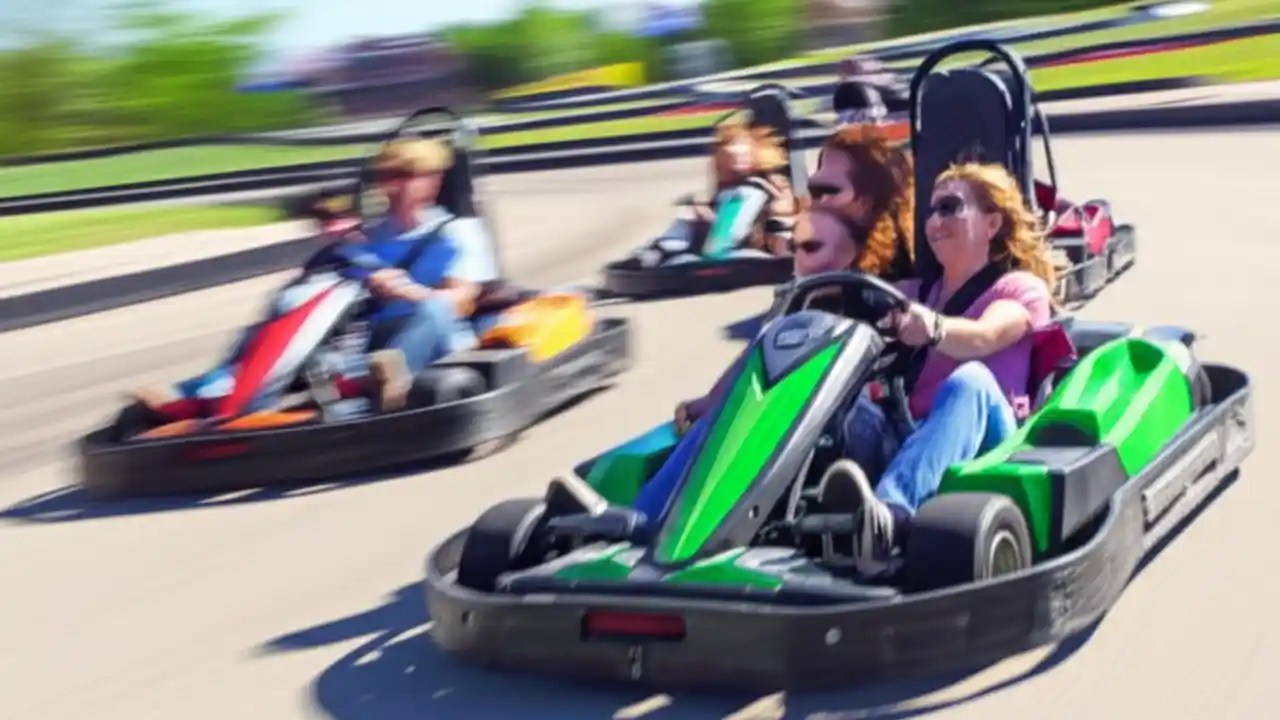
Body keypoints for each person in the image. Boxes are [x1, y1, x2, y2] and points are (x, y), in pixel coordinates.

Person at [630, 128, 917, 525]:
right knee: (730, 414)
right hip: (808, 418)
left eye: (827, 190)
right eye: (814, 189)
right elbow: (770, 343)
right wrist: (714, 399)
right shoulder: (818, 265)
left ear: (867, 200)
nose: (814, 199)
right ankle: (644, 521)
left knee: (796, 405)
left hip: (875, 426)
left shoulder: (908, 273)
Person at [132, 137, 500, 418]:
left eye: (407, 176)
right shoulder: (368, 235)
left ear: (433, 181)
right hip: (362, 339)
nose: (395, 186)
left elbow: (460, 300)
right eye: (388, 176)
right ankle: (212, 389)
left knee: (432, 311)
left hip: (434, 334)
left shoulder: (459, 231)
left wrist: (411, 292)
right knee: (286, 312)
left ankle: (382, 379)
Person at [822, 161, 1057, 575]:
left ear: (991, 222)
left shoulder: (1019, 289)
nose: (935, 220)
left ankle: (888, 518)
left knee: (970, 380)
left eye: (950, 207)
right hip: (908, 433)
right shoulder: (912, 293)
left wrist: (933, 327)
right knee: (838, 391)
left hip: (990, 442)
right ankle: (794, 508)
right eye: (931, 211)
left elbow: (986, 335)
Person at [689, 117, 798, 257]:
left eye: (741, 159)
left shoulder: (753, 190)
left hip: (759, 257)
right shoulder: (726, 194)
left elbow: (722, 243)